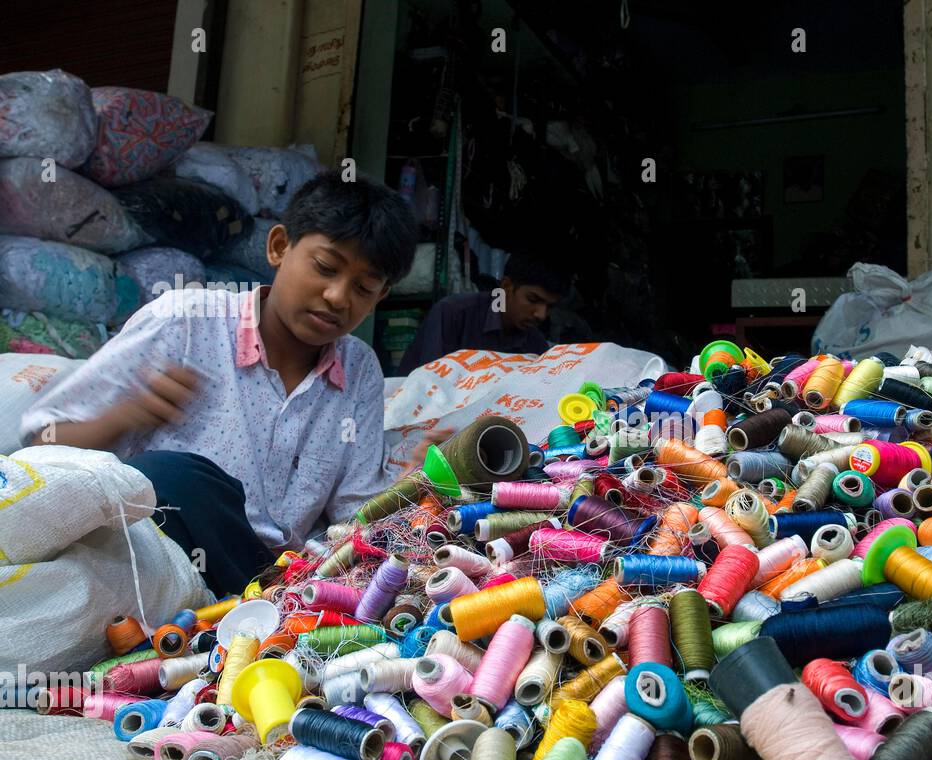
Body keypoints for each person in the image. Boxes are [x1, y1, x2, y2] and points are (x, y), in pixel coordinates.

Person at [20, 172, 440, 597]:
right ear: (278, 247)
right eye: (325, 268)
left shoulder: (360, 368)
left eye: (363, 287)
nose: (337, 296)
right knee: (170, 478)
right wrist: (124, 416)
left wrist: (411, 488)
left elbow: (354, 512)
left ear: (380, 295)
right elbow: (42, 448)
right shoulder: (185, 322)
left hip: (278, 580)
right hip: (162, 556)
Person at [396, 252, 570, 373]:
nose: (541, 314)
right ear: (507, 286)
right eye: (533, 300)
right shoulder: (453, 313)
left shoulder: (535, 343)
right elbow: (429, 385)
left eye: (549, 307)